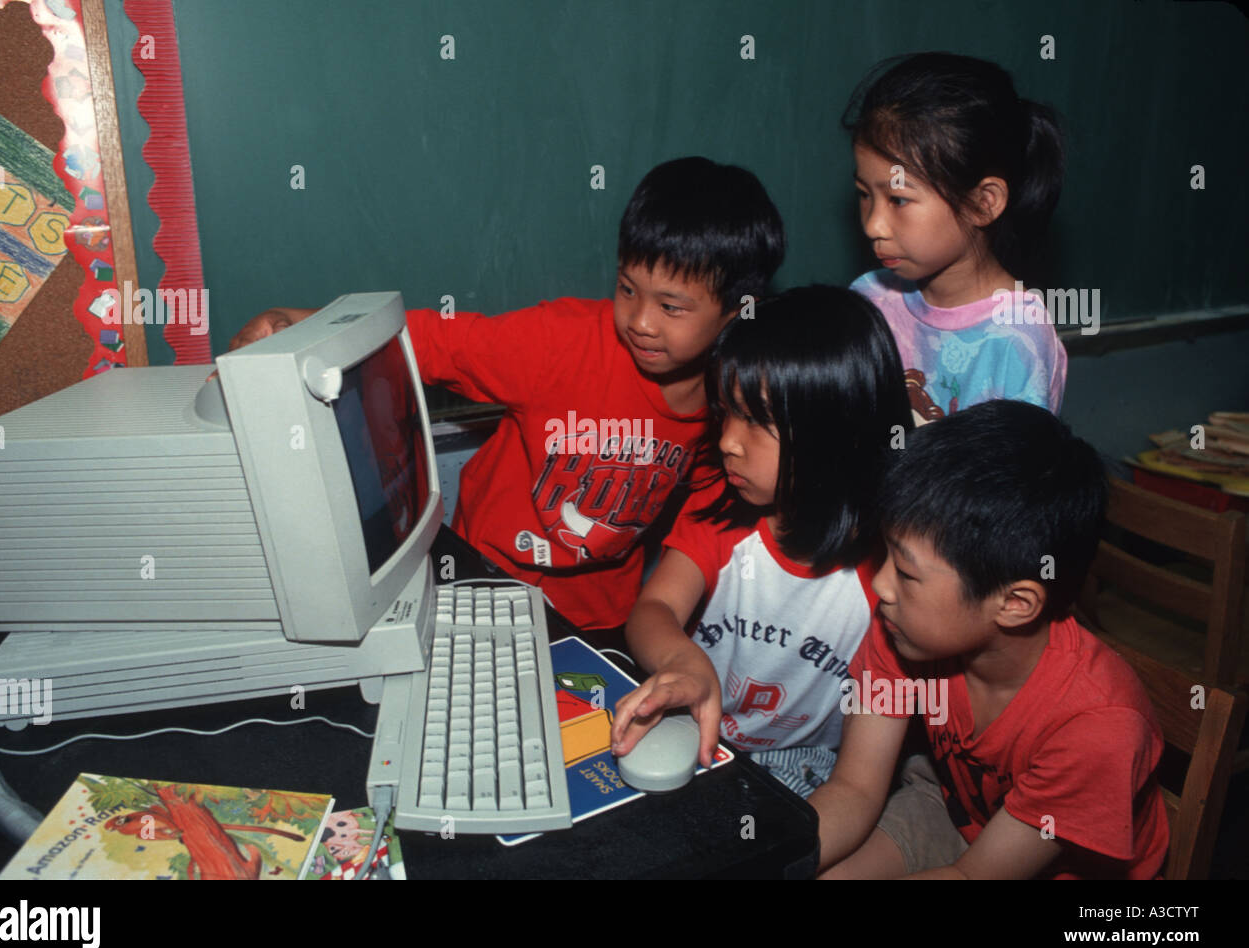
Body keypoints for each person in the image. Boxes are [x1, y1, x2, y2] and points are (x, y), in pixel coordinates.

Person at [229, 157, 785, 629]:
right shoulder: (559, 342)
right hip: (481, 580)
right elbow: (424, 340)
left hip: (600, 616)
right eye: (626, 289)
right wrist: (293, 322)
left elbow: (701, 519)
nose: (639, 320)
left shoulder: (734, 407)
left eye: (671, 307)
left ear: (736, 313)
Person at [812, 400, 1169, 879]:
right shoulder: (904, 629)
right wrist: (766, 859)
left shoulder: (1098, 727)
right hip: (955, 812)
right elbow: (854, 788)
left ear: (1016, 603)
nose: (880, 586)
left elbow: (975, 876)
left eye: (906, 572)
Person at [611, 286, 911, 797]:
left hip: (807, 764)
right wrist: (682, 661)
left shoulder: (890, 574)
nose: (727, 439)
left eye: (757, 421)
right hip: (693, 726)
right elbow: (653, 608)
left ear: (840, 434)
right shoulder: (722, 511)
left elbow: (859, 788)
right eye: (725, 412)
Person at [844, 52, 1068, 423]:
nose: (873, 226)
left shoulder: (1017, 339)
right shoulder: (869, 300)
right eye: (865, 194)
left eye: (898, 199)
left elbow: (1012, 478)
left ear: (983, 203)